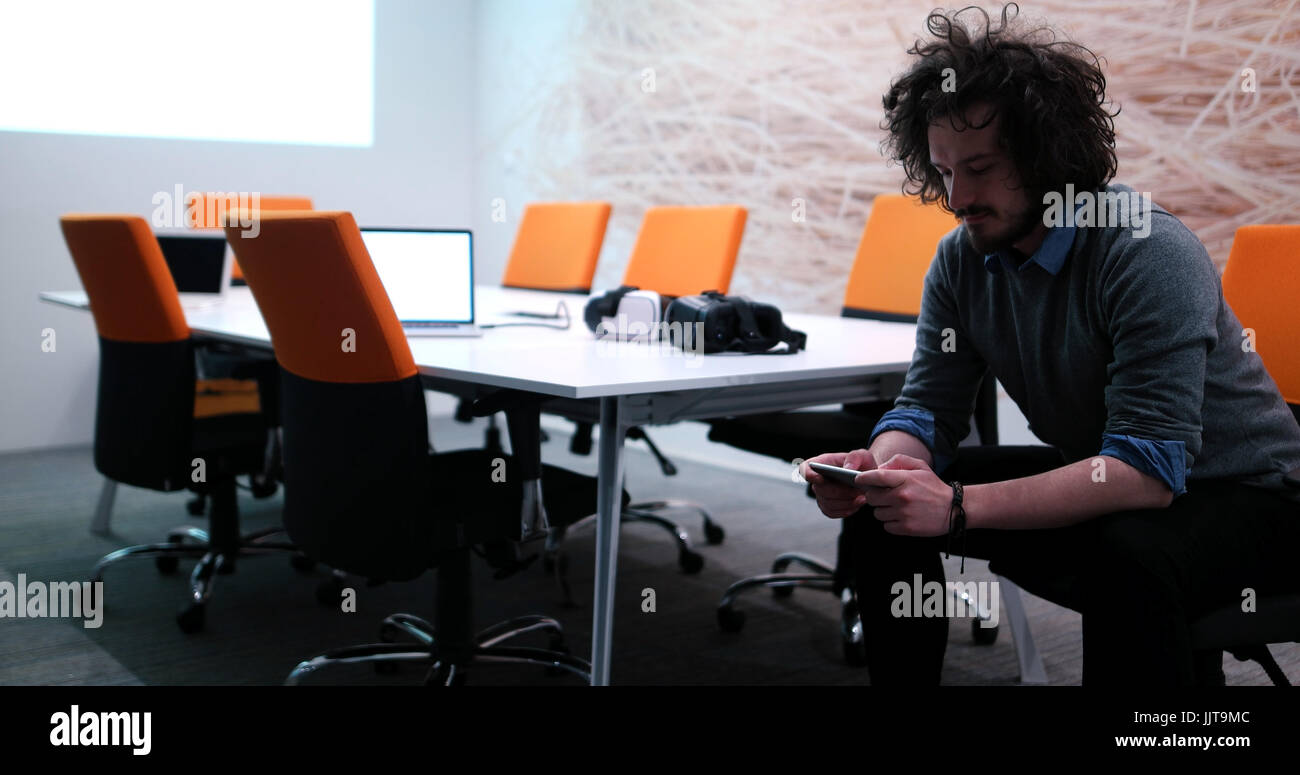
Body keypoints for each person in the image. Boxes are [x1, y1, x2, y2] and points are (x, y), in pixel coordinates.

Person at [800, 3, 1300, 686]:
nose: (958, 196)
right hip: (1113, 476)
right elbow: (927, 409)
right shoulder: (960, 260)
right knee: (882, 514)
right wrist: (884, 468)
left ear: (1046, 154)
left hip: (1256, 499)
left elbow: (1150, 469)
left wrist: (955, 505)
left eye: (980, 167)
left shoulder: (1145, 250)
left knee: (1131, 550)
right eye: (944, 172)